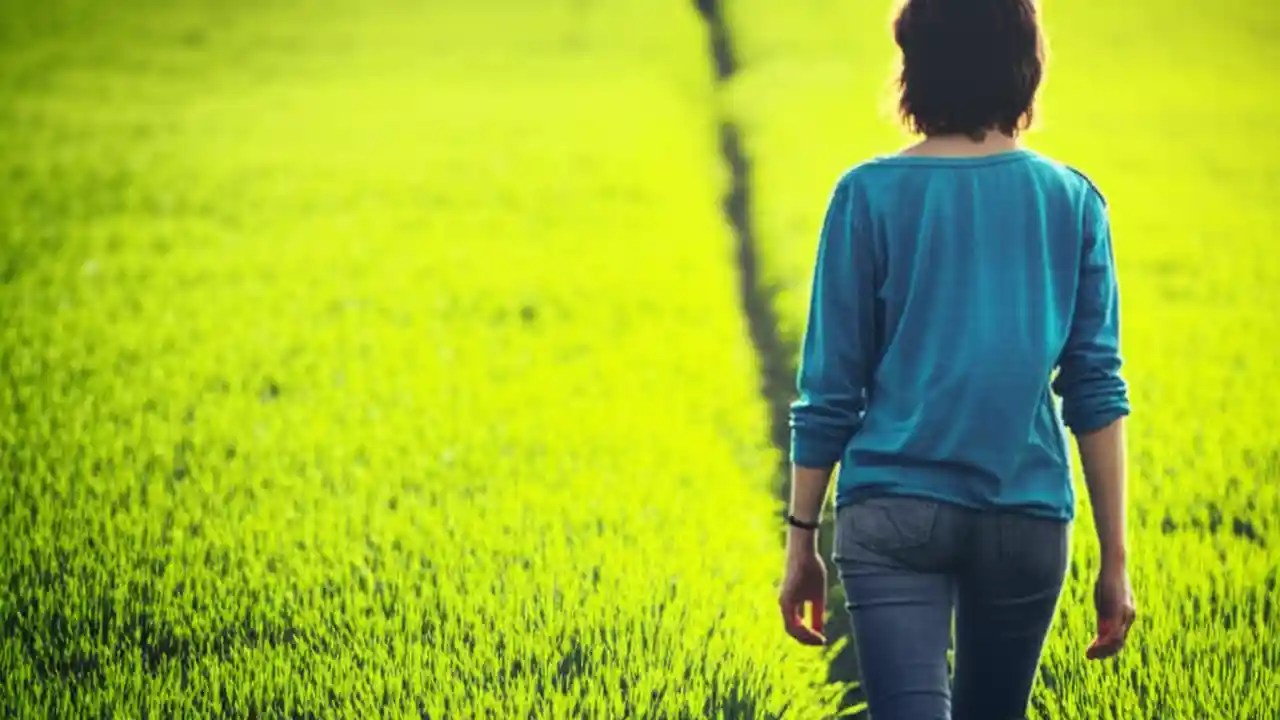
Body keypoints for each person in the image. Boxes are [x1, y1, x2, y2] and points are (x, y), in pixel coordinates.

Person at [776, 1, 1138, 718]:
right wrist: (1115, 560)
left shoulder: (866, 195)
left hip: (892, 512)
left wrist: (801, 543)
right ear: (1026, 66)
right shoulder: (1073, 201)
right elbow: (1095, 390)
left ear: (915, 66)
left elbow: (828, 391)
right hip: (1026, 515)